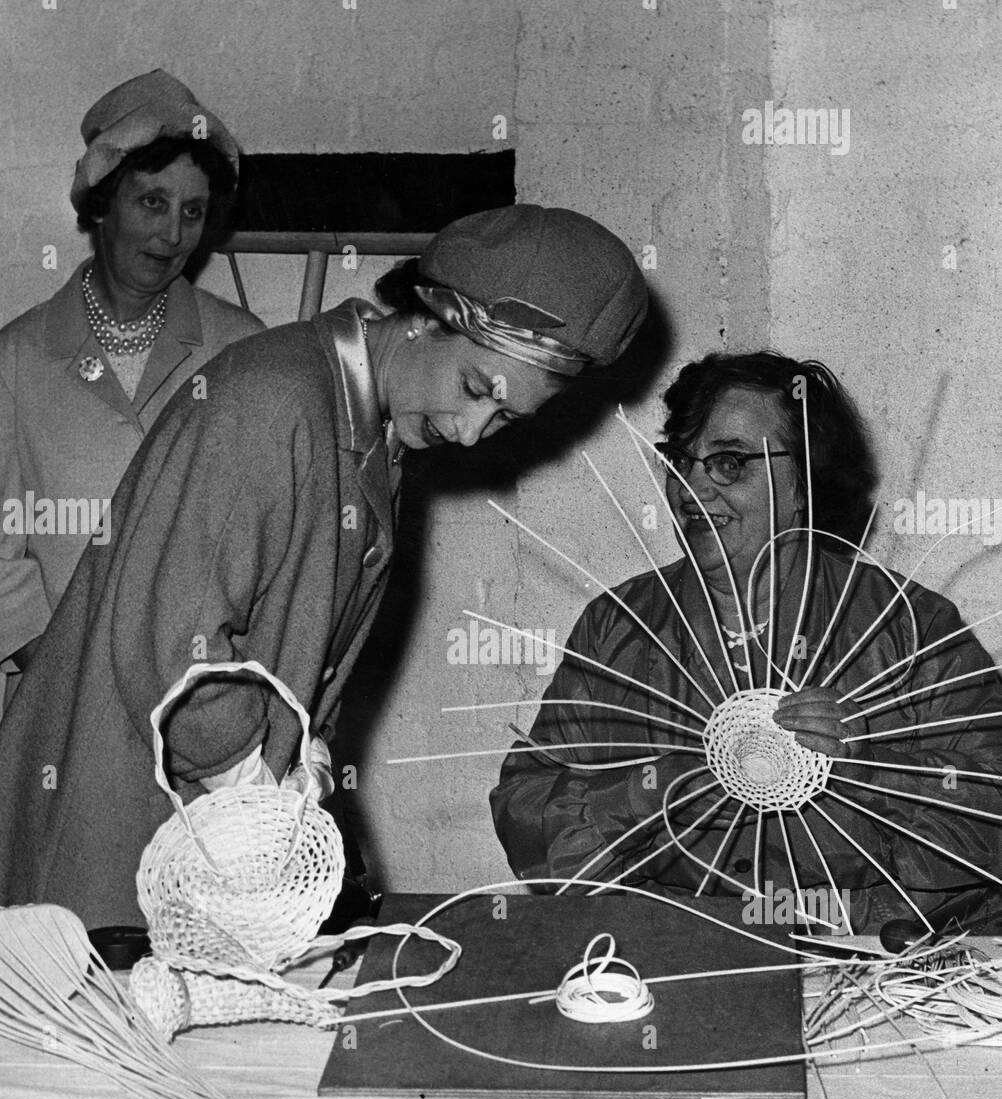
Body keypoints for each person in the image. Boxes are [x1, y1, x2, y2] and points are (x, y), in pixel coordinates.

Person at [0, 203, 648, 929]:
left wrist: (302, 754)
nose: (470, 436)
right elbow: (169, 639)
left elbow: (289, 638)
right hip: (113, 821)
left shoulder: (365, 423)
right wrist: (253, 787)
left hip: (194, 821)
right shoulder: (273, 399)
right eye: (474, 389)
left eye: (505, 420)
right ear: (428, 315)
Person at [491, 351, 1002, 930]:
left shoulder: (910, 627)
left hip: (874, 949)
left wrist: (868, 769)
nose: (691, 489)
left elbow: (992, 812)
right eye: (680, 460)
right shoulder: (619, 625)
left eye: (730, 463)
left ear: (806, 481)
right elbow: (524, 815)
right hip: (678, 946)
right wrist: (645, 790)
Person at [0, 70, 264, 699]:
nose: (173, 235)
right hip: (53, 690)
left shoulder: (241, 346)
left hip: (201, 695)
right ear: (100, 204)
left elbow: (262, 527)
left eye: (192, 211)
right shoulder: (15, 358)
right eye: (152, 202)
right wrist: (62, 665)